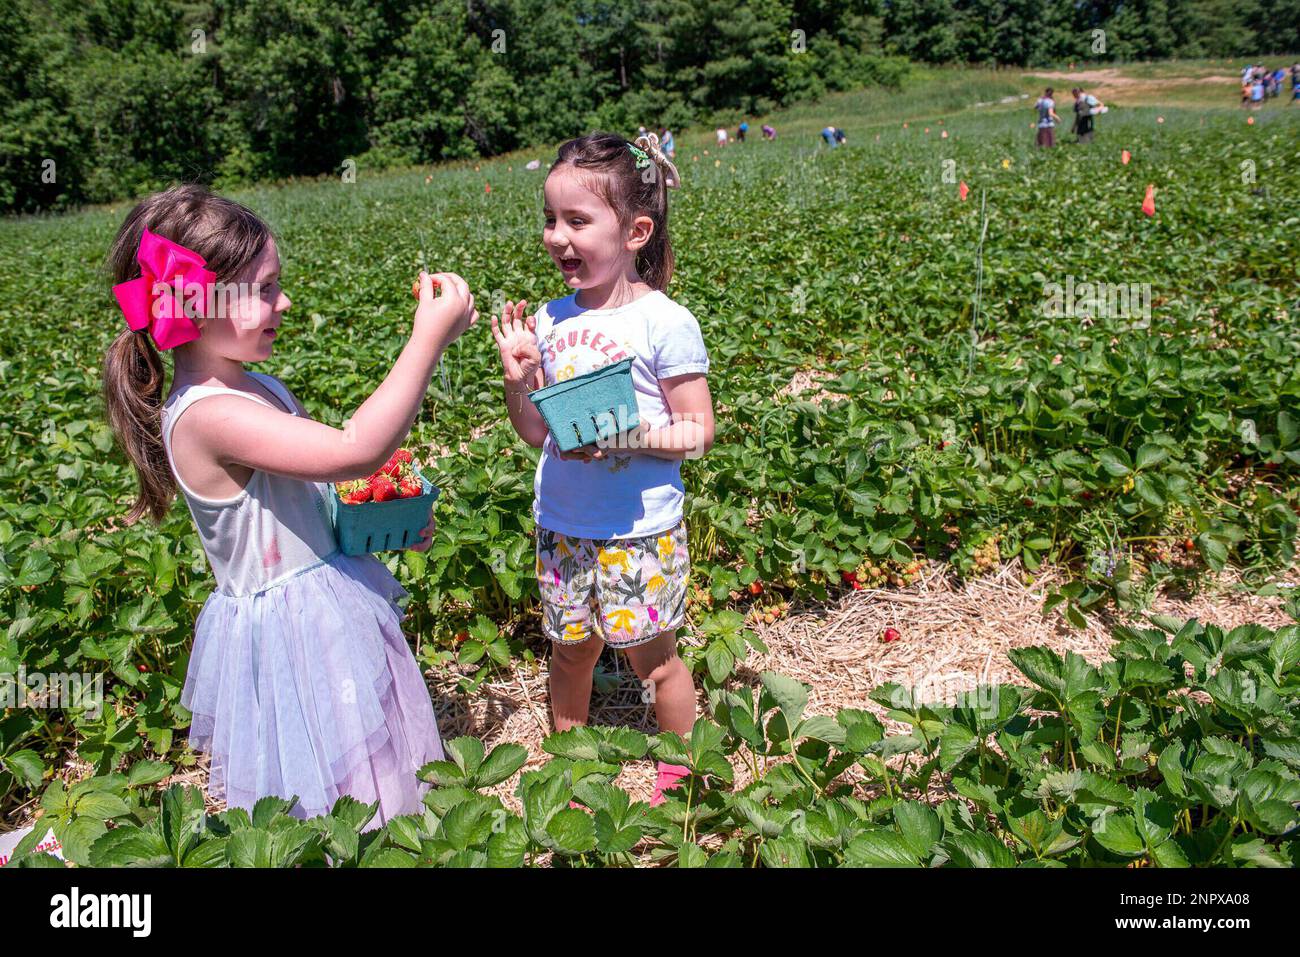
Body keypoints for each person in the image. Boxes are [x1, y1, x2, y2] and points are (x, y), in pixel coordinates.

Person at [102, 184, 479, 830]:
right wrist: (428, 339)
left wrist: (376, 522)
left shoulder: (256, 383)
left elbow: (310, 492)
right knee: (342, 789)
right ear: (197, 300)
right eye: (267, 288)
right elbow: (354, 449)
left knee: (382, 769)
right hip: (297, 634)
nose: (286, 301)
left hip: (331, 599)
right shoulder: (209, 416)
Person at [490, 131, 714, 808]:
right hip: (563, 521)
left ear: (636, 230)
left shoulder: (664, 322)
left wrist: (628, 432)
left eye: (577, 221)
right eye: (550, 220)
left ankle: (682, 771)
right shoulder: (551, 321)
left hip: (636, 530)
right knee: (571, 649)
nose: (558, 237)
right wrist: (519, 380)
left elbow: (698, 432)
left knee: (653, 658)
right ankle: (573, 757)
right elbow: (536, 432)